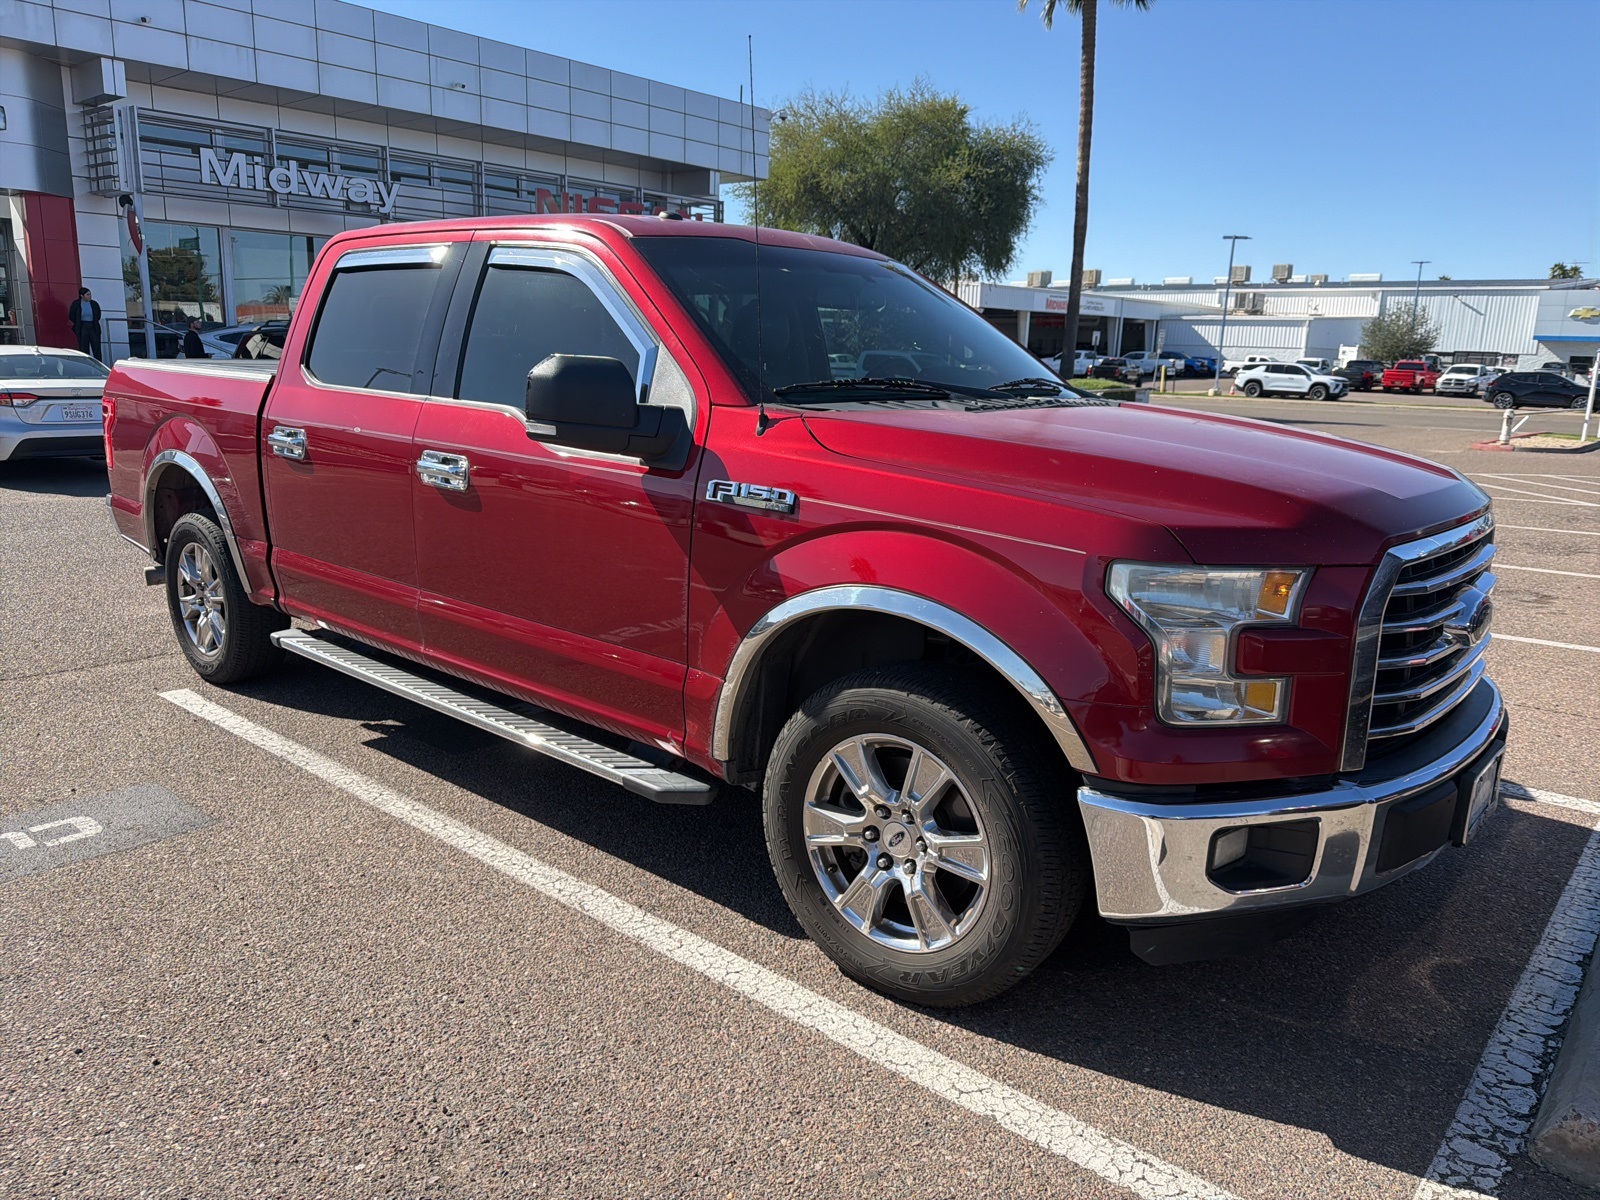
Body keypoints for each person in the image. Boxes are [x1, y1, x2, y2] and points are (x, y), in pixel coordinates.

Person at [68, 287, 102, 361]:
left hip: (93, 326)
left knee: (96, 347)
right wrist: (78, 322)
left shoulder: (94, 304)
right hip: (82, 326)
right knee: (84, 348)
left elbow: (98, 315)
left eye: (90, 294)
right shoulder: (76, 303)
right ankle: (86, 364)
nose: (90, 296)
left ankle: (99, 365)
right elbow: (71, 315)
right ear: (82, 295)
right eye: (87, 294)